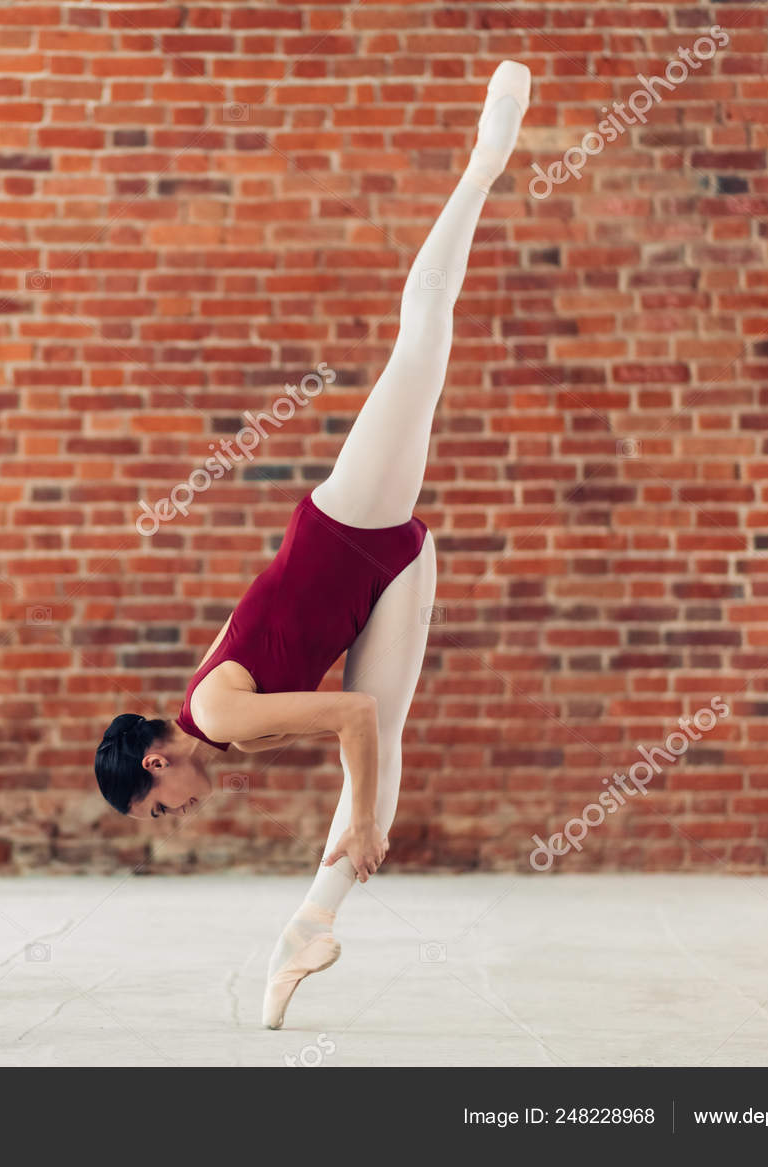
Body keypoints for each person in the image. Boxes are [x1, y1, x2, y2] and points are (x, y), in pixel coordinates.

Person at [95, 61, 532, 1029]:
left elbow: (351, 720)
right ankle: (306, 930)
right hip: (389, 568)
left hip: (350, 522)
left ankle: (484, 160)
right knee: (389, 734)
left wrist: (370, 821)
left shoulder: (221, 716)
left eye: (161, 809)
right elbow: (306, 662)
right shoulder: (208, 707)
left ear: (158, 765)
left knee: (421, 344)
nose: (180, 818)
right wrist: (364, 809)